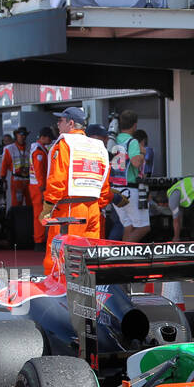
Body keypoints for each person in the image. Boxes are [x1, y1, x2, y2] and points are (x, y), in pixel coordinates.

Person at [41, 106, 118, 275]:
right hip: (93, 210)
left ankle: (59, 296)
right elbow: (104, 185)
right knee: (89, 257)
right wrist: (99, 204)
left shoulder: (64, 144)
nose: (57, 124)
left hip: (69, 210)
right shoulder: (99, 146)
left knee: (60, 258)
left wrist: (47, 209)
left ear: (70, 123)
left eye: (60, 120)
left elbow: (57, 180)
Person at [110, 110, 150, 242]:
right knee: (143, 227)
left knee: (128, 225)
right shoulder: (132, 142)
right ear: (134, 126)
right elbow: (136, 162)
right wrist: (143, 153)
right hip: (130, 189)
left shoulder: (114, 139)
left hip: (115, 189)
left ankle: (121, 259)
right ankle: (122, 253)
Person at [85, 124, 121, 240]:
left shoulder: (106, 155)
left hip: (98, 205)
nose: (107, 140)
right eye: (103, 137)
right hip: (89, 205)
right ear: (93, 137)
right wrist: (113, 196)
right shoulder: (85, 155)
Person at [28, 127, 54, 249]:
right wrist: (42, 187)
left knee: (40, 213)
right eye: (49, 138)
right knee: (40, 214)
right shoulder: (39, 151)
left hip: (36, 186)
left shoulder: (38, 149)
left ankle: (39, 239)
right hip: (38, 187)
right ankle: (39, 241)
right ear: (43, 137)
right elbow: (39, 171)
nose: (50, 140)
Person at [0, 127, 31, 214]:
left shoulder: (30, 148)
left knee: (30, 202)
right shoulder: (9, 149)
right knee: (17, 202)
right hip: (17, 180)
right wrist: (3, 178)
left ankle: (29, 222)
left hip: (29, 179)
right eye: (20, 135)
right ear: (16, 136)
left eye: (24, 135)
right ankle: (16, 222)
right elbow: (4, 165)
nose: (23, 137)